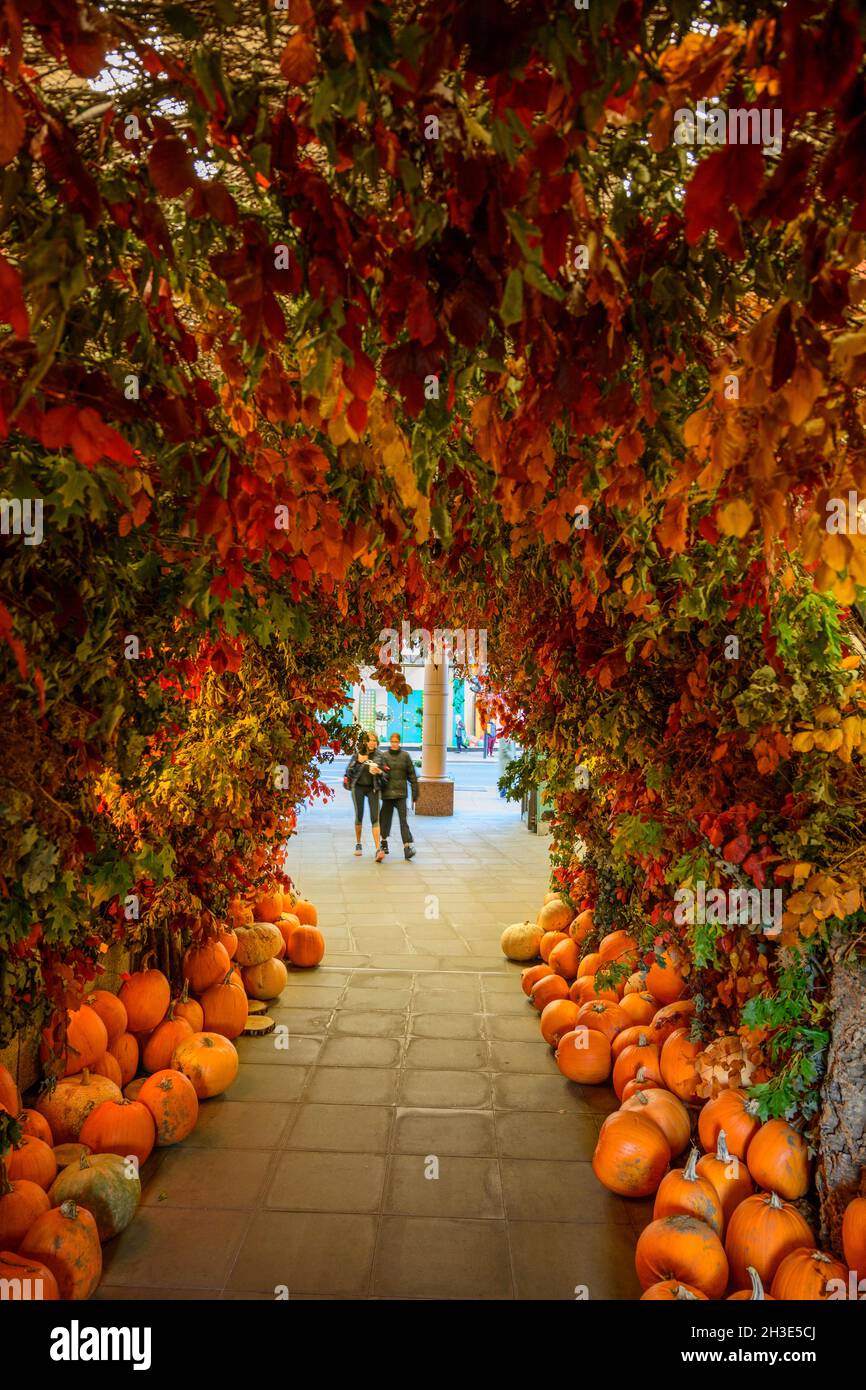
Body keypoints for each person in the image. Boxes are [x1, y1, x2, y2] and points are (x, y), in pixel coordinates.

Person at [344, 731, 388, 861]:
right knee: (359, 815)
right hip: (358, 788)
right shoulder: (358, 753)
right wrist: (358, 761)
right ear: (365, 741)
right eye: (370, 740)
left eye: (374, 740)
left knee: (375, 817)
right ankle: (358, 844)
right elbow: (348, 772)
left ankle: (377, 849)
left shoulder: (380, 756)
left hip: (373, 788)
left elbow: (386, 776)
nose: (372, 742)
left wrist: (379, 772)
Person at [379, 731, 419, 860]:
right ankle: (383, 842)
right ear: (390, 742)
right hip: (387, 794)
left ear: (399, 742)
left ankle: (407, 847)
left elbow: (412, 775)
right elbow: (380, 774)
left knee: (403, 821)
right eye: (392, 742)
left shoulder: (405, 756)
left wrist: (415, 793)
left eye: (396, 742)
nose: (394, 744)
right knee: (385, 820)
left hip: (401, 794)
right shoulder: (384, 756)